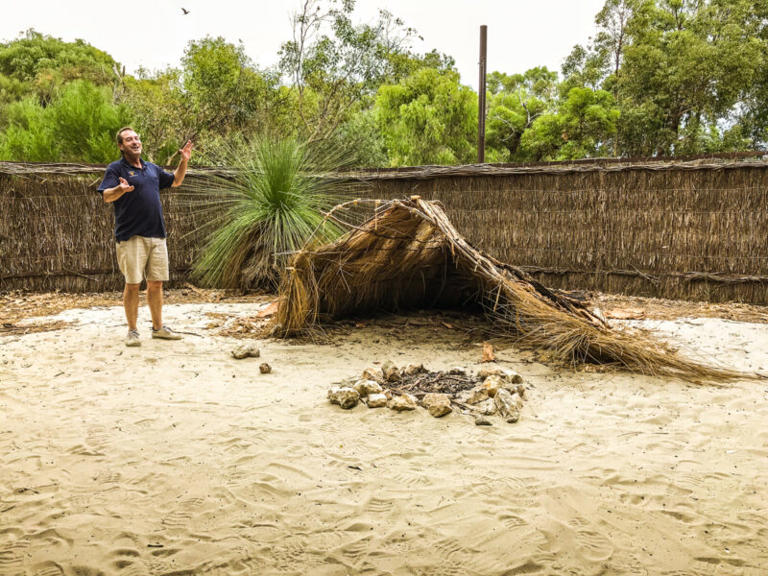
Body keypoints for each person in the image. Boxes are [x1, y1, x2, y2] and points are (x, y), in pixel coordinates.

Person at [98, 127, 193, 347]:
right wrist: (120, 189)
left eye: (137, 138)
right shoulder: (116, 169)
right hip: (131, 236)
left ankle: (158, 328)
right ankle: (132, 331)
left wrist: (184, 161)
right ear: (121, 146)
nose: (135, 141)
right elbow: (105, 196)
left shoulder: (152, 169)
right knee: (133, 284)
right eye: (129, 139)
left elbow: (176, 181)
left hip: (157, 234)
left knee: (156, 283)